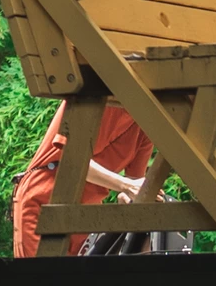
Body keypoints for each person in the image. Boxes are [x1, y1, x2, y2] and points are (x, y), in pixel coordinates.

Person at [10, 100, 154, 256]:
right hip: (44, 201)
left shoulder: (146, 123)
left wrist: (131, 198)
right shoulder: (94, 96)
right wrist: (126, 186)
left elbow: (133, 187)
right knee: (43, 278)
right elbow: (72, 158)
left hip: (87, 216)